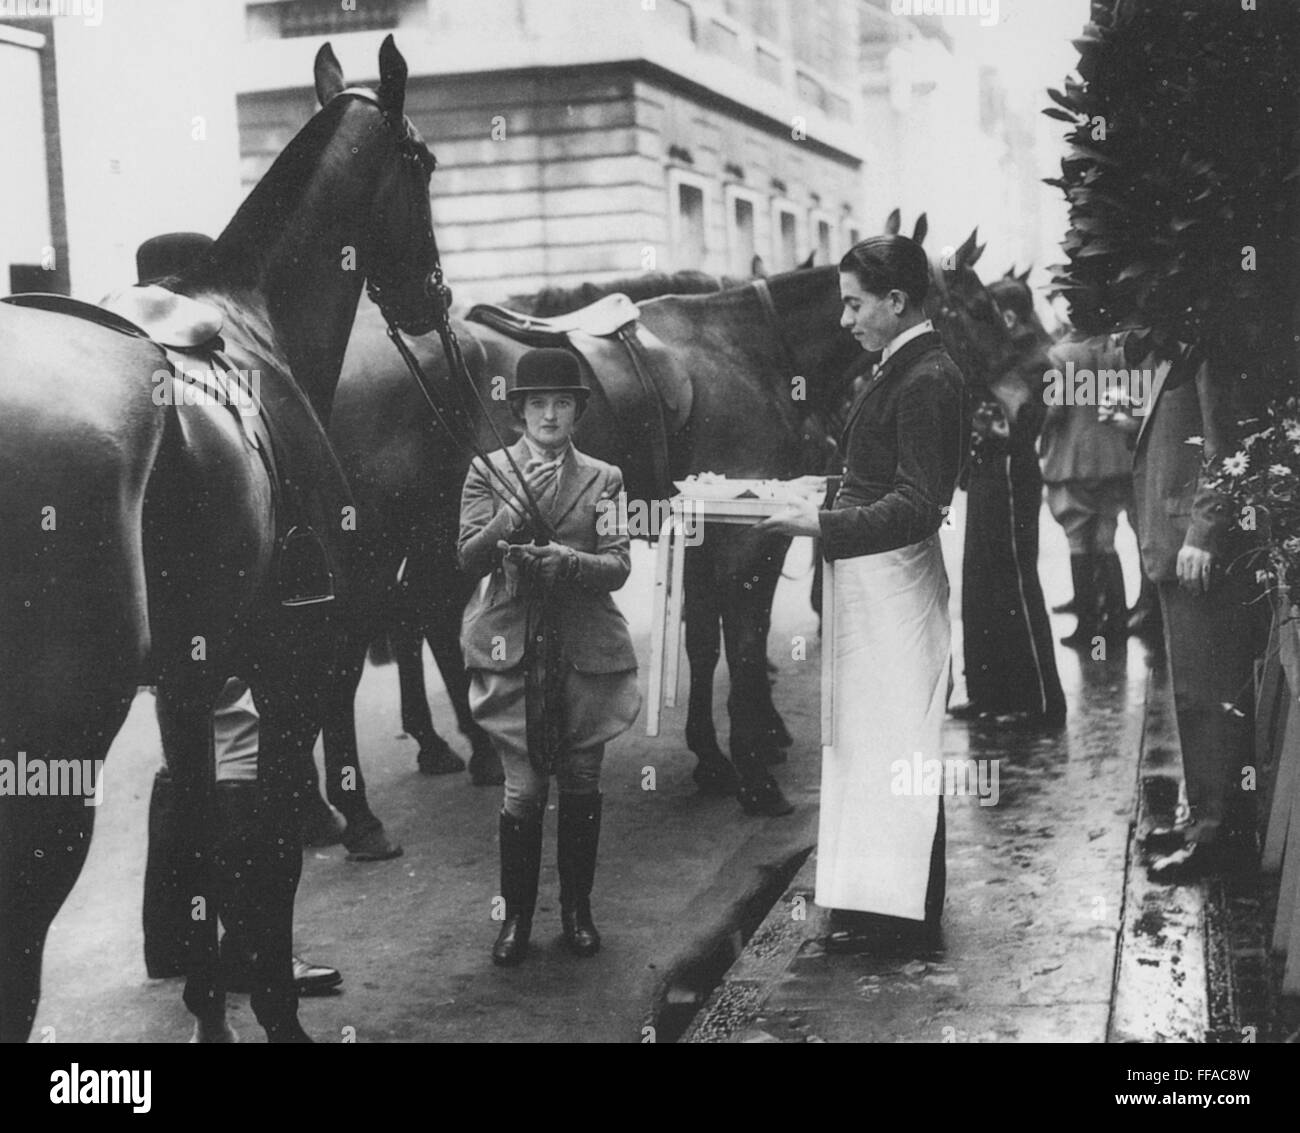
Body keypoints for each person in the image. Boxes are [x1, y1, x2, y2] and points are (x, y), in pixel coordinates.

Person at [757, 235, 966, 952]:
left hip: (897, 583)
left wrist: (820, 521)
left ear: (896, 301)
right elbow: (878, 474)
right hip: (876, 579)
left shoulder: (928, 377)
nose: (844, 319)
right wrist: (822, 490)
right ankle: (878, 901)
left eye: (854, 303)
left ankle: (905, 912)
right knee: (870, 744)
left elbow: (919, 503)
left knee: (899, 745)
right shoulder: (902, 366)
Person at [458, 348, 640, 966]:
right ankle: (514, 920)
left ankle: (576, 911)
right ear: (519, 411)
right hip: (512, 645)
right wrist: (510, 513)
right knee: (525, 788)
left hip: (585, 647)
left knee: (583, 781)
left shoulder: (605, 477)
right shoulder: (488, 471)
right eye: (538, 403)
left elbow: (618, 564)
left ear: (578, 411)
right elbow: (467, 559)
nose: (550, 415)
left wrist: (570, 562)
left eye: (563, 402)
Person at [1107, 346, 1268, 882]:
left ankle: (1219, 836)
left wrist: (1205, 532)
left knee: (1209, 700)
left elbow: (1224, 451)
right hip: (1175, 544)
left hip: (1194, 549)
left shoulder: (1203, 353)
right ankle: (1208, 821)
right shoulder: (1177, 349)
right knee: (1195, 698)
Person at [950, 273, 1065, 726]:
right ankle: (986, 692)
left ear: (1009, 315)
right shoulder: (1006, 358)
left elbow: (1018, 420)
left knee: (1014, 581)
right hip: (986, 472)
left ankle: (1038, 699)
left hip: (1014, 473)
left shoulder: (1036, 361)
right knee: (979, 583)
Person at [1041, 332, 1153, 647]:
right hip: (1115, 458)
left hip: (1072, 460)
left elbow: (1054, 410)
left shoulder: (1059, 355)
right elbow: (1131, 402)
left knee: (1078, 541)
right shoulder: (1118, 350)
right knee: (1107, 539)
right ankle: (1116, 621)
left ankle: (1087, 624)